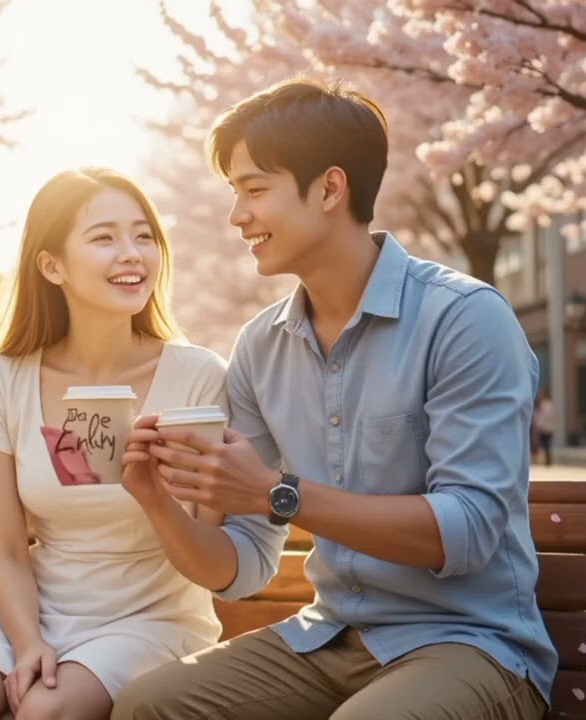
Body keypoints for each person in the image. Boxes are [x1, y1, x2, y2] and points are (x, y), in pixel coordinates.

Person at [112, 77, 555, 719]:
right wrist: (157, 500)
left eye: (255, 190)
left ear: (329, 188)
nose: (238, 217)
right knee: (148, 706)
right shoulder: (260, 346)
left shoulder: (465, 318)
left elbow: (468, 531)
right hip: (329, 637)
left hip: (472, 645)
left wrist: (276, 491)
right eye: (236, 193)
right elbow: (240, 569)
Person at [0, 167, 230, 720]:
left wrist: (157, 495)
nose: (132, 253)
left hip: (151, 616)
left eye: (143, 235)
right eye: (104, 237)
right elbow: (8, 551)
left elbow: (212, 545)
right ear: (51, 265)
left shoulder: (201, 376)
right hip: (32, 607)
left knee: (45, 710)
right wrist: (29, 640)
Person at [533, 390, 556, 466]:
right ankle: (543, 460)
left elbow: (544, 417)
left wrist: (539, 426)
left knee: (545, 445)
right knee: (543, 445)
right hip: (545, 428)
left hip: (545, 429)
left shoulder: (546, 405)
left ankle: (547, 461)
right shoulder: (542, 405)